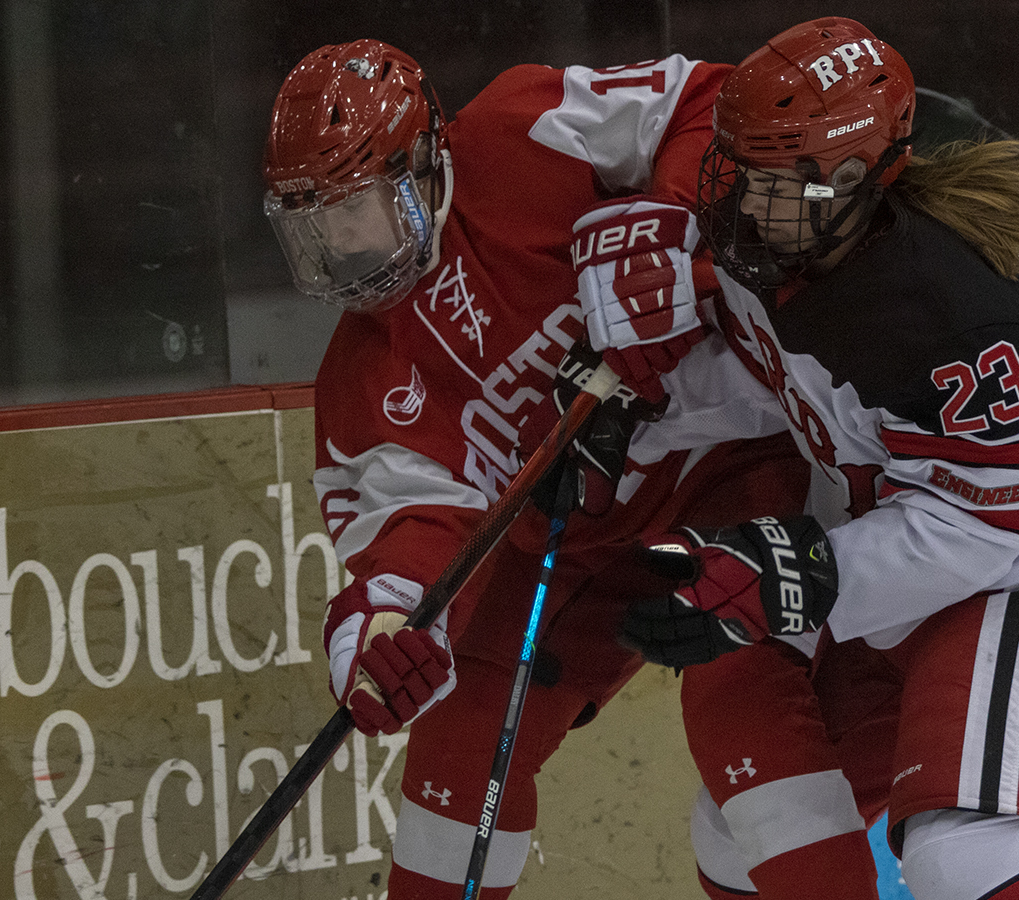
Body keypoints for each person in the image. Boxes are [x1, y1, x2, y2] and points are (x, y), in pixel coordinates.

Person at [261, 39, 878, 899]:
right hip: (570, 539)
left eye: (356, 208)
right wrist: (385, 626)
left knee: (744, 714)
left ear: (425, 162)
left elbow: (710, 102)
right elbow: (421, 529)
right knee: (462, 740)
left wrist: (665, 220)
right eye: (313, 228)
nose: (341, 248)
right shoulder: (361, 381)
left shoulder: (525, 128)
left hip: (730, 467)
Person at [593, 18, 1019, 900]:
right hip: (913, 564)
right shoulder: (790, 234)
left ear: (849, 181)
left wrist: (807, 571)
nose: (735, 199)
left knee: (965, 852)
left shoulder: (940, 305)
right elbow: (785, 376)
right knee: (746, 833)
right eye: (736, 168)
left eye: (768, 181)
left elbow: (995, 515)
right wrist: (641, 417)